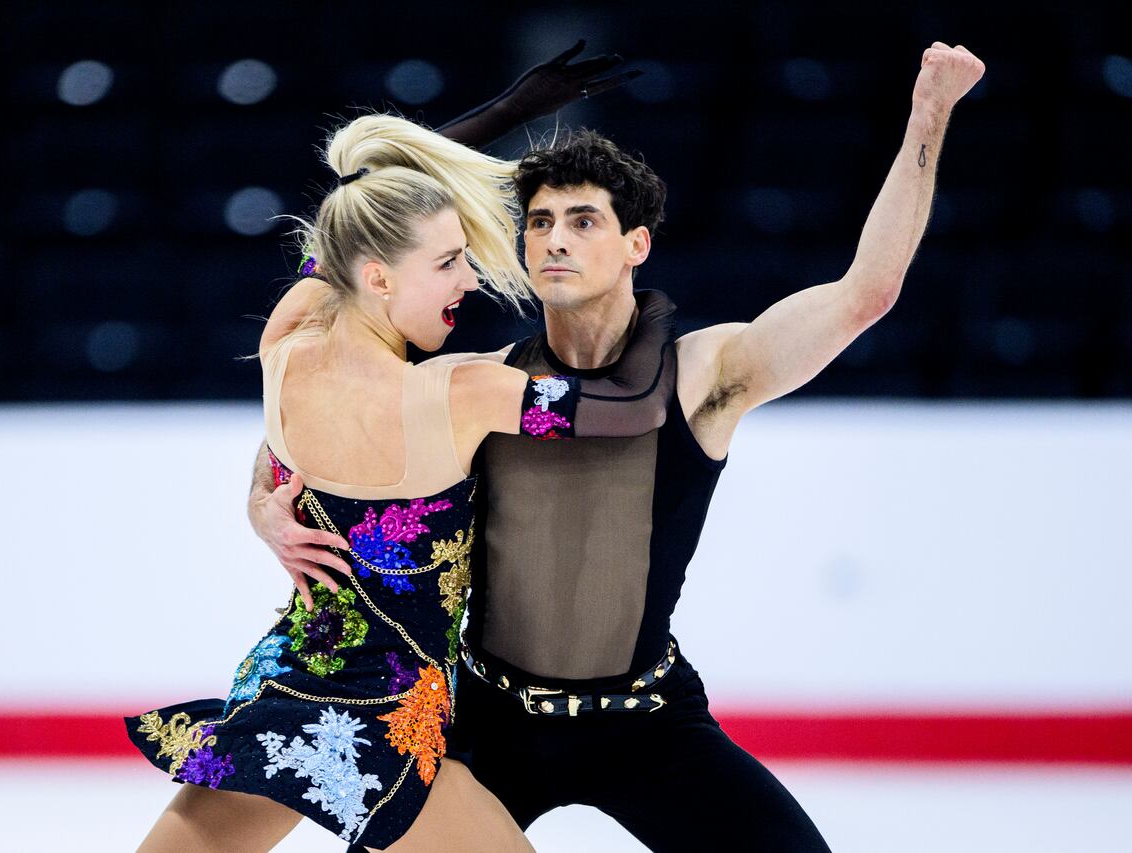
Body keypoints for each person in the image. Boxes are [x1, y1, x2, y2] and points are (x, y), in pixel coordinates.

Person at [250, 42, 986, 852]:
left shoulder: (706, 374)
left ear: (637, 244)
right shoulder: (475, 387)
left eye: (583, 220)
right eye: (539, 222)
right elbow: (315, 382)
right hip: (489, 719)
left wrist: (928, 117)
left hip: (648, 721)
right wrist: (263, 501)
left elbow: (865, 294)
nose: (554, 240)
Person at [125, 112, 675, 852]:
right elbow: (634, 407)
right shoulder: (460, 394)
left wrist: (260, 499)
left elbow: (359, 218)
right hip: (387, 723)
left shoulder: (286, 341)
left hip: (285, 685)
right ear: (379, 277)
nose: (470, 279)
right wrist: (650, 305)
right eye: (448, 262)